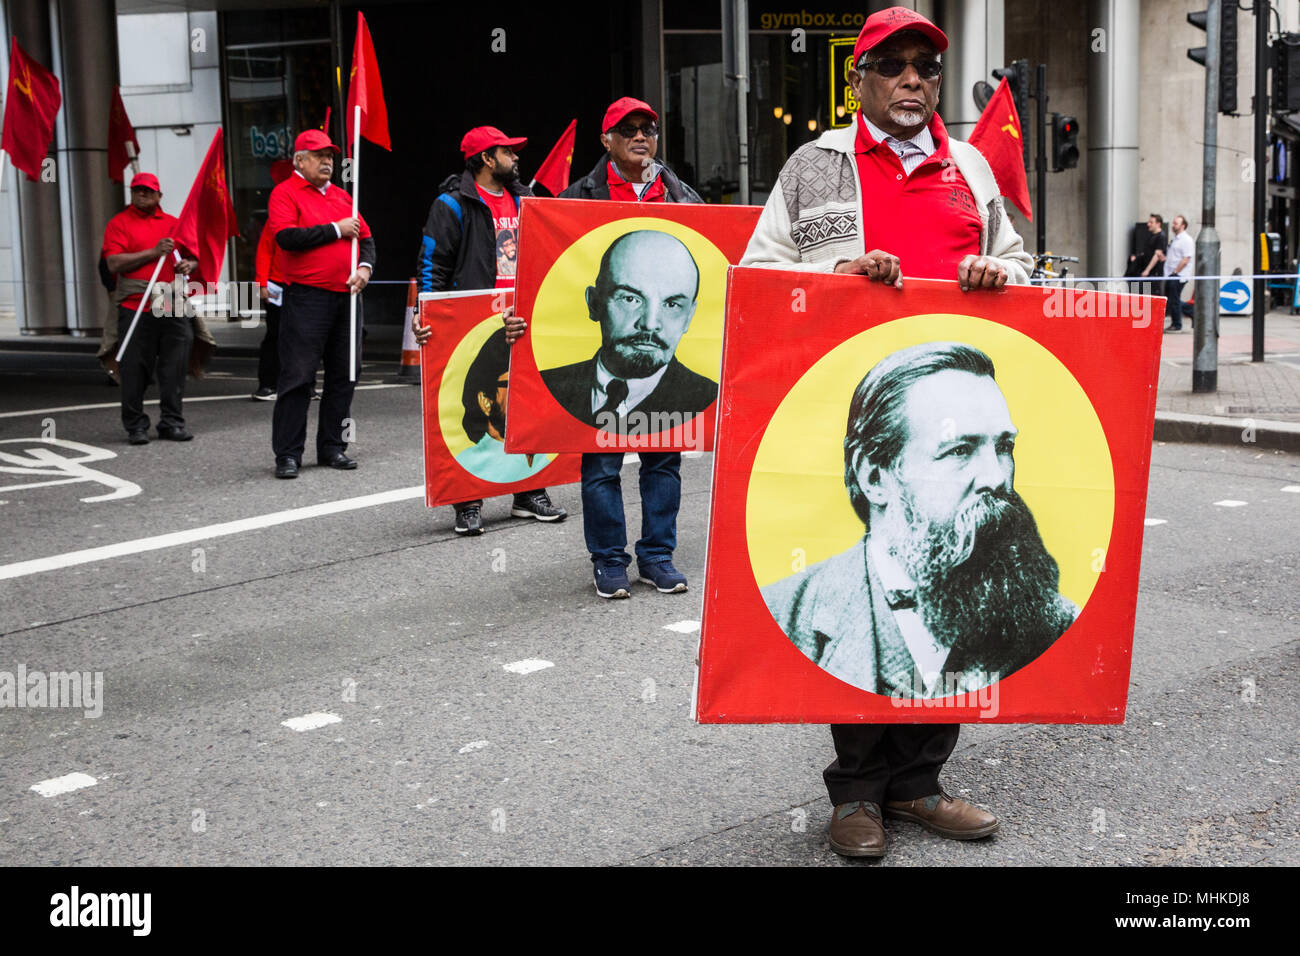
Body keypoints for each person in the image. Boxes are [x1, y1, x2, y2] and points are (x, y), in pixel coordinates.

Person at [740, 6, 1033, 859]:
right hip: (852, 416)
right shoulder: (812, 166)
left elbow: (1022, 262)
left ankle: (920, 782)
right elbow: (758, 276)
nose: (913, 80)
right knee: (869, 591)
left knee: (956, 585)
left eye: (927, 67)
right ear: (860, 77)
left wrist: (998, 272)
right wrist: (835, 273)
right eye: (895, 65)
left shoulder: (971, 167)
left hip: (953, 417)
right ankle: (857, 790)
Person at [763, 342, 1078, 698]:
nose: (996, 476)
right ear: (874, 478)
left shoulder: (1056, 623)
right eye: (959, 450)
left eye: (1004, 447)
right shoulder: (782, 614)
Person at [506, 96, 703, 599]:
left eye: (650, 128)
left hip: (665, 373)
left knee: (663, 462)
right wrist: (517, 313)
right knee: (601, 465)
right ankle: (609, 560)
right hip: (600, 368)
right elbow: (538, 270)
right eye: (629, 128)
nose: (642, 136)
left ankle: (657, 557)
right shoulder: (574, 199)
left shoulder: (684, 198)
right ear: (606, 140)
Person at [411, 125, 566, 534]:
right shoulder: (452, 205)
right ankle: (467, 501)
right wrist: (425, 314)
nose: (516, 158)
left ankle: (530, 494)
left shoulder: (526, 199)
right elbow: (433, 265)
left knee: (529, 407)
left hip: (524, 321)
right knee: (473, 402)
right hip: (474, 324)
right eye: (507, 152)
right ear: (485, 159)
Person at [267, 129, 374, 479]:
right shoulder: (285, 193)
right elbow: (286, 238)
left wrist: (364, 268)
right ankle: (288, 454)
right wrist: (335, 229)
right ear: (300, 160)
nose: (328, 161)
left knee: (346, 376)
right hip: (308, 297)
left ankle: (334, 447)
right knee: (297, 377)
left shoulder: (345, 196)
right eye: (319, 155)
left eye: (330, 156)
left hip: (348, 297)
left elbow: (368, 240)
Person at [540, 230, 716, 432]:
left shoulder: (709, 400)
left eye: (671, 304)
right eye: (631, 299)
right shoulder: (547, 388)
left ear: (689, 317)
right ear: (594, 303)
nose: (649, 324)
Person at [101, 171, 199, 445]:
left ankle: (172, 422)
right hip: (136, 304)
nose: (141, 194)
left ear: (159, 196)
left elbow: (192, 259)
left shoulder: (173, 224)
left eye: (147, 190)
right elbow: (114, 264)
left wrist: (187, 265)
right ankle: (135, 426)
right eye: (137, 190)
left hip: (170, 302)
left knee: (174, 366)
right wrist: (153, 253)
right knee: (134, 369)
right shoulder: (119, 223)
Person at [455, 328, 552, 483]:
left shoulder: (545, 460)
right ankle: (467, 502)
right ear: (485, 401)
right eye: (514, 384)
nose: (527, 393)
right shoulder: (464, 463)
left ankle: (530, 492)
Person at [1162, 214, 1195, 332]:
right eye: (1174, 223)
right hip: (1171, 274)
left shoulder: (1186, 240)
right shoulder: (1175, 239)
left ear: (1183, 225)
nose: (1173, 225)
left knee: (1173, 300)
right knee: (1172, 299)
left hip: (1179, 275)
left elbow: (1186, 258)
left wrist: (1175, 272)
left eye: (1176, 223)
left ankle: (1177, 324)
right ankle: (1192, 311)